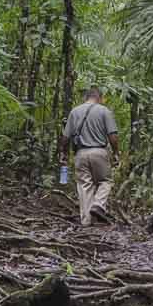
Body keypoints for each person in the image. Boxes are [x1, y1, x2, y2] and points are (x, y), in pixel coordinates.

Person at [61, 86, 120, 226]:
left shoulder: (75, 111)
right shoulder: (105, 111)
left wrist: (63, 153)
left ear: (86, 97)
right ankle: (98, 205)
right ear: (99, 97)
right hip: (99, 152)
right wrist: (116, 153)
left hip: (80, 154)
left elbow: (65, 137)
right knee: (105, 181)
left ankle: (86, 221)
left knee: (84, 185)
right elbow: (113, 135)